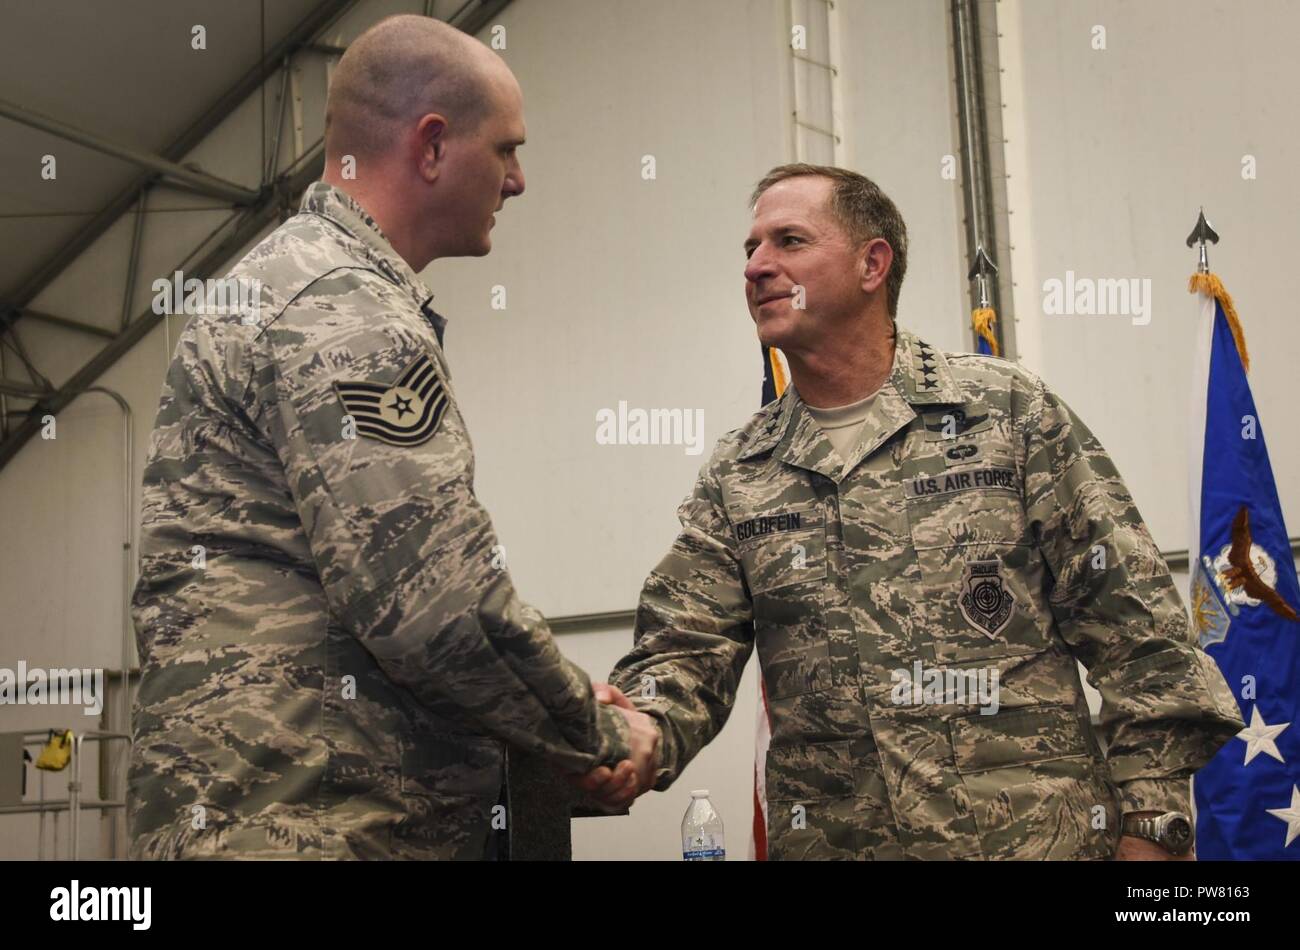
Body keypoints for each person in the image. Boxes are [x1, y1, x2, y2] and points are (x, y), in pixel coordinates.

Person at [584, 163, 1243, 859]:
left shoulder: (1007, 415)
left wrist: (1153, 832)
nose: (757, 267)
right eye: (750, 249)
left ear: (873, 264)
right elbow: (685, 650)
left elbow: (1141, 638)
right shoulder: (741, 471)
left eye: (788, 242)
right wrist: (638, 731)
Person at [128, 14, 656, 860]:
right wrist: (595, 731)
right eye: (507, 150)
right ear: (434, 145)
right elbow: (433, 602)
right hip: (315, 824)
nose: (518, 180)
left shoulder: (296, 280)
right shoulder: (343, 308)